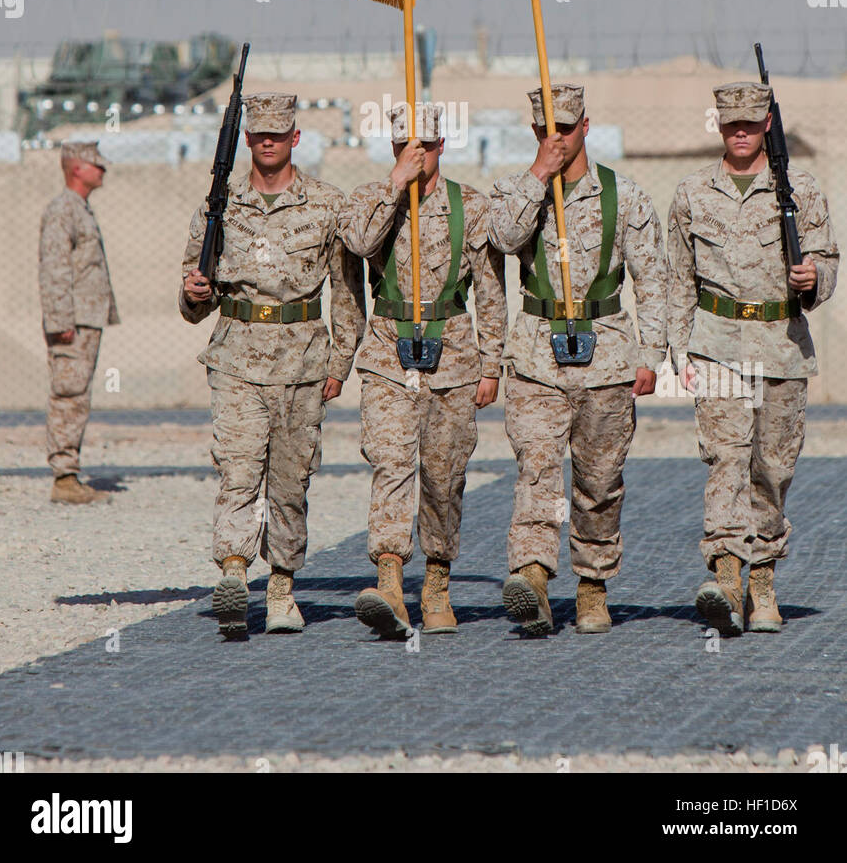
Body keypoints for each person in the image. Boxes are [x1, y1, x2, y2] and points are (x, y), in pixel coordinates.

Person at [180, 93, 365, 638]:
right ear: (247, 140)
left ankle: (282, 588)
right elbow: (193, 300)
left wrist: (340, 359)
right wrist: (193, 292)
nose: (267, 142)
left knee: (290, 481)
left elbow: (348, 292)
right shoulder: (219, 206)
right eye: (258, 135)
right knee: (238, 472)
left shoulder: (327, 205)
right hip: (236, 356)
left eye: (277, 135)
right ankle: (235, 574)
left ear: (294, 139)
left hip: (303, 361)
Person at [488, 83, 667, 636]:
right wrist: (538, 174)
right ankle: (534, 578)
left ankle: (592, 586)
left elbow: (653, 278)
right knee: (536, 471)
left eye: (565, 129)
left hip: (608, 354)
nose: (556, 139)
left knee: (599, 481)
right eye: (546, 130)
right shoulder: (515, 191)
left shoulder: (624, 196)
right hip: (537, 356)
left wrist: (651, 354)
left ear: (585, 127)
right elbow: (501, 237)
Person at [667, 82, 839, 635]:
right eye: (730, 122)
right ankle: (727, 574)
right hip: (717, 344)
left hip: (783, 345)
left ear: (767, 124)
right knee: (725, 460)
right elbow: (678, 277)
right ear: (718, 125)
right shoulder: (693, 193)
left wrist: (814, 278)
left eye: (750, 122)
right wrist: (675, 346)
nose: (739, 131)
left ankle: (763, 578)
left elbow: (829, 260)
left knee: (772, 469)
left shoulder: (799, 191)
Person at [337, 102, 507, 638]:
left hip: (453, 357)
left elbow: (491, 290)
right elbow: (358, 244)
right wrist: (396, 182)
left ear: (441, 147)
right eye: (405, 147)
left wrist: (491, 364)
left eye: (426, 148)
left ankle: (436, 581)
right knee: (390, 462)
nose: (417, 155)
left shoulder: (471, 207)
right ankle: (389, 578)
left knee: (443, 476)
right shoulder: (370, 200)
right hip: (388, 354)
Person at [38, 141, 119, 505]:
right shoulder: (62, 210)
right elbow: (54, 269)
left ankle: (69, 473)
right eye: (95, 165)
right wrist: (60, 321)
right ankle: (64, 478)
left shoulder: (79, 209)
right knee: (68, 395)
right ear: (77, 169)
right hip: (72, 321)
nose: (103, 170)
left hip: (85, 319)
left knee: (78, 395)